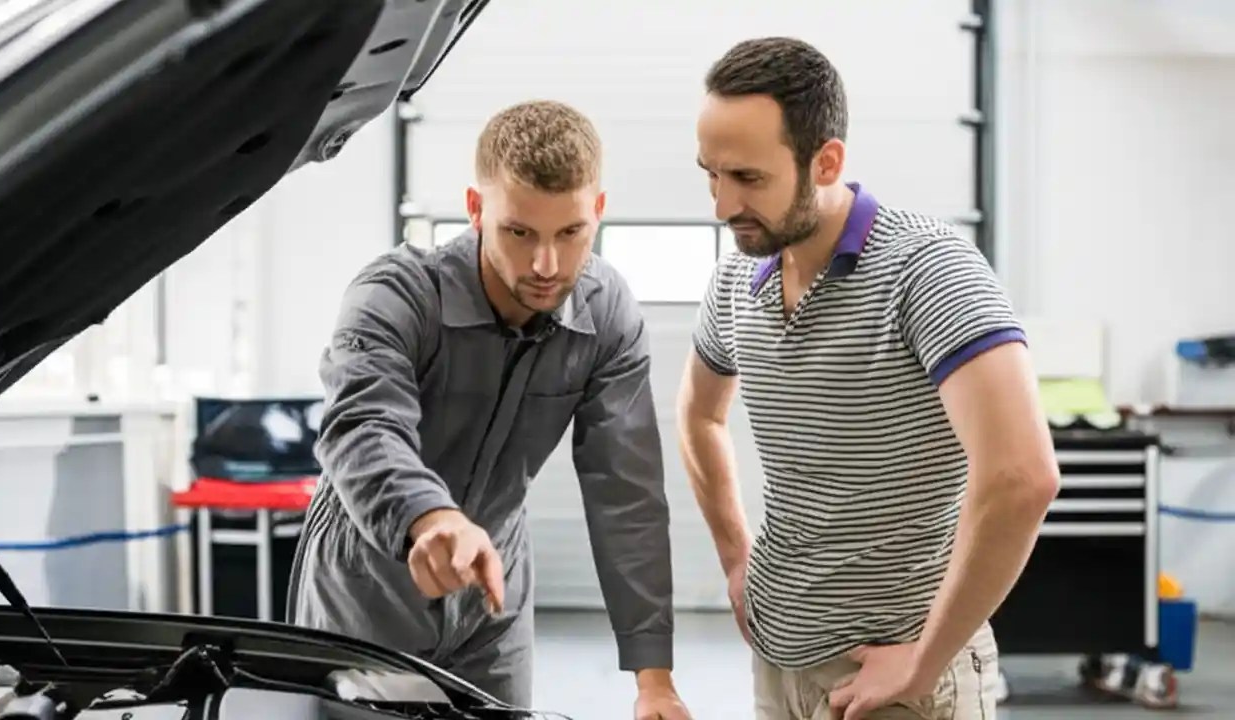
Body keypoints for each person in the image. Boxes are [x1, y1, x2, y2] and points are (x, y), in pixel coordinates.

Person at [677, 37, 1060, 720]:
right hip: (779, 666)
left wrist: (926, 659)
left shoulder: (928, 270)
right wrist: (738, 561)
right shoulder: (737, 277)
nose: (721, 205)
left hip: (898, 677)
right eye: (712, 175)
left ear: (826, 162)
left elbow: (1022, 476)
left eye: (749, 179)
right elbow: (699, 417)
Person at [287, 99, 691, 719]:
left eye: (571, 233)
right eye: (520, 232)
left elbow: (627, 492)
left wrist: (653, 676)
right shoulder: (395, 295)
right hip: (369, 581)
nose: (546, 265)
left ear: (598, 213)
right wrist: (429, 517)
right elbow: (363, 425)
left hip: (494, 592)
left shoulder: (607, 315)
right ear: (476, 210)